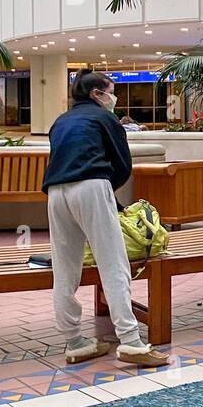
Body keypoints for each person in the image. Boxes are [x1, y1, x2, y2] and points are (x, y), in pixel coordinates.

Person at [42, 70, 169, 367]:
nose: (114, 98)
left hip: (56, 191)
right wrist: (106, 191)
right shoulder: (105, 118)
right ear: (97, 94)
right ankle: (131, 342)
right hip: (92, 185)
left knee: (64, 266)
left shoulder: (60, 121)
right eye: (111, 92)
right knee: (113, 262)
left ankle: (74, 341)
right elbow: (123, 164)